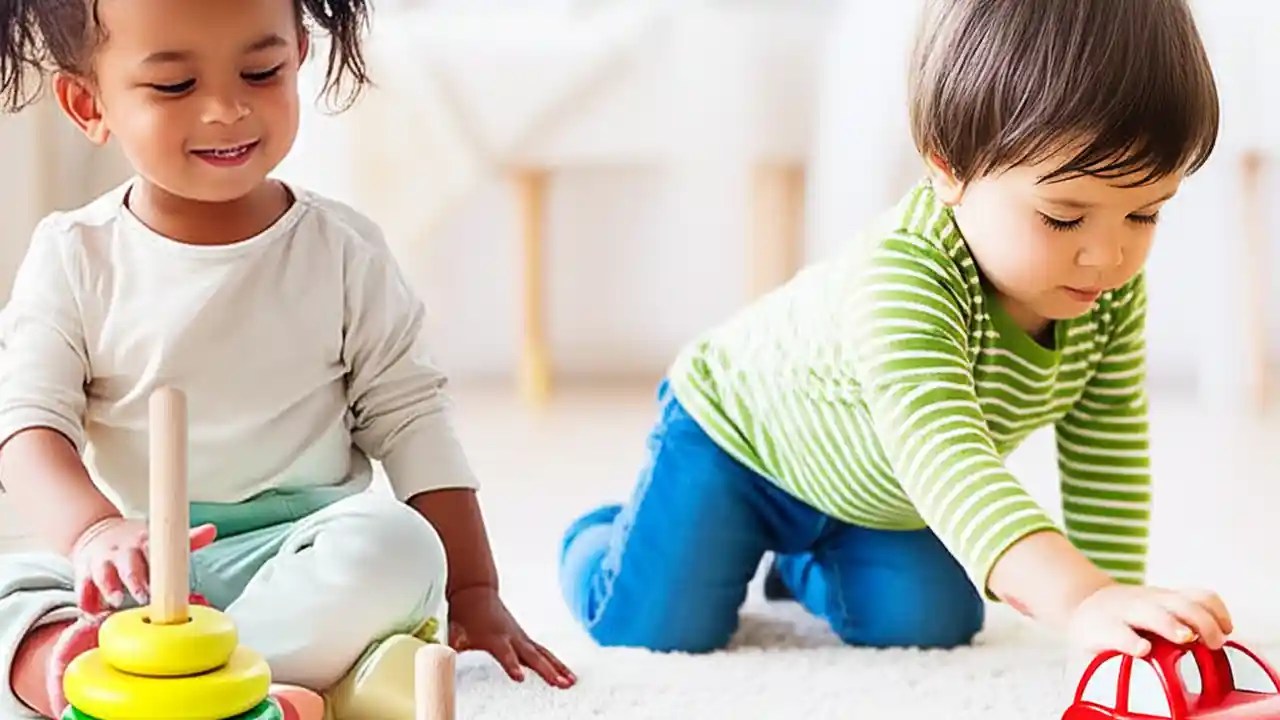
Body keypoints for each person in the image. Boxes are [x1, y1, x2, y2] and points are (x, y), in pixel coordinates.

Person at [559, 0, 1237, 660]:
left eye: (1144, 214)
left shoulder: (1107, 293)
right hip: (735, 443)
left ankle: (798, 564)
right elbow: (944, 451)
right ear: (947, 168)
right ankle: (611, 533)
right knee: (654, 625)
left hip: (872, 491)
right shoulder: (906, 277)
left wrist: (1114, 600)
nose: (1107, 255)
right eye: (1063, 217)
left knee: (932, 621)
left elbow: (1106, 440)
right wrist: (1080, 597)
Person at [0, 0, 574, 718]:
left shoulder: (342, 251)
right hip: (135, 578)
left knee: (397, 546)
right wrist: (94, 533)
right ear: (89, 103)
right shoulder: (73, 255)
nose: (226, 108)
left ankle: (178, 687)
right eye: (176, 87)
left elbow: (413, 421)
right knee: (11, 592)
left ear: (298, 55)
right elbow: (27, 430)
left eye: (261, 70)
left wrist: (474, 593)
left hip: (303, 553)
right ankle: (164, 677)